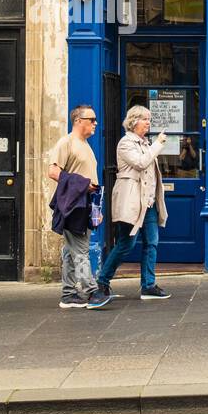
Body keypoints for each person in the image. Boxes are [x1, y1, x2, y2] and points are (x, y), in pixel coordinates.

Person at [90, 105, 169, 307]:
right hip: (132, 202)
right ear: (133, 121)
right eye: (144, 119)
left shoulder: (145, 143)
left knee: (152, 242)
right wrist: (158, 144)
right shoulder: (126, 144)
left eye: (149, 119)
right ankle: (102, 282)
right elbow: (141, 163)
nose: (148, 122)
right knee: (127, 244)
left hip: (148, 202)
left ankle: (148, 285)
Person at [47, 105, 101, 308]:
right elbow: (53, 171)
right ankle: (91, 291)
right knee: (80, 251)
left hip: (86, 203)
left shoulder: (85, 144)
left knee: (71, 251)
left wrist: (96, 210)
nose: (95, 123)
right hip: (72, 204)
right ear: (78, 120)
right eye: (91, 119)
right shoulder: (66, 142)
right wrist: (81, 184)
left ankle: (69, 294)